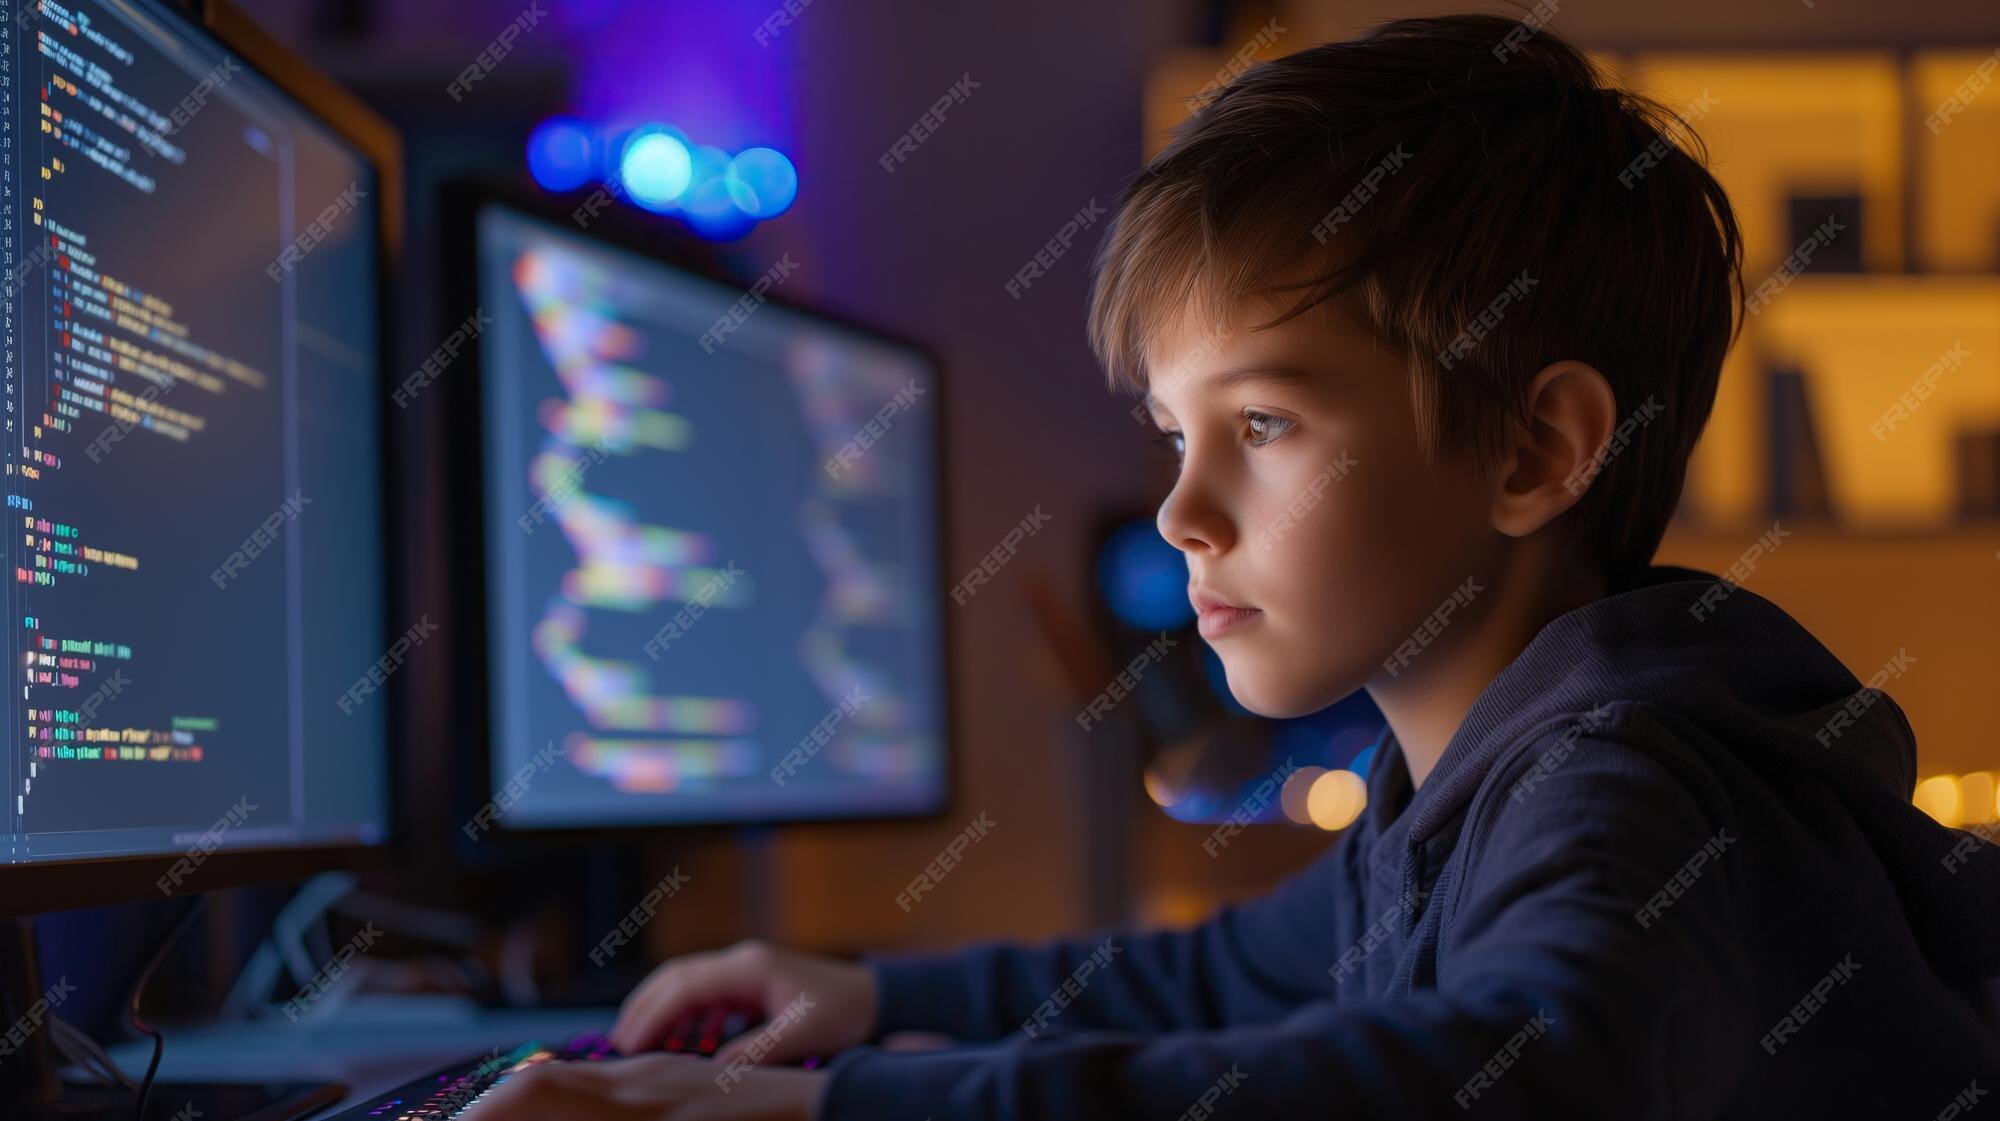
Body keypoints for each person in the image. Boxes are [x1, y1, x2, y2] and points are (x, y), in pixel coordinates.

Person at [469, 13, 2000, 1119]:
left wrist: (836, 1109)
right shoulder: (1467, 781)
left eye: (1263, 420)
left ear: (1535, 454)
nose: (1185, 511)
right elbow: (1223, 978)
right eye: (1172, 430)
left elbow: (1532, 1063)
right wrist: (876, 1002)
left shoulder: (1624, 781)